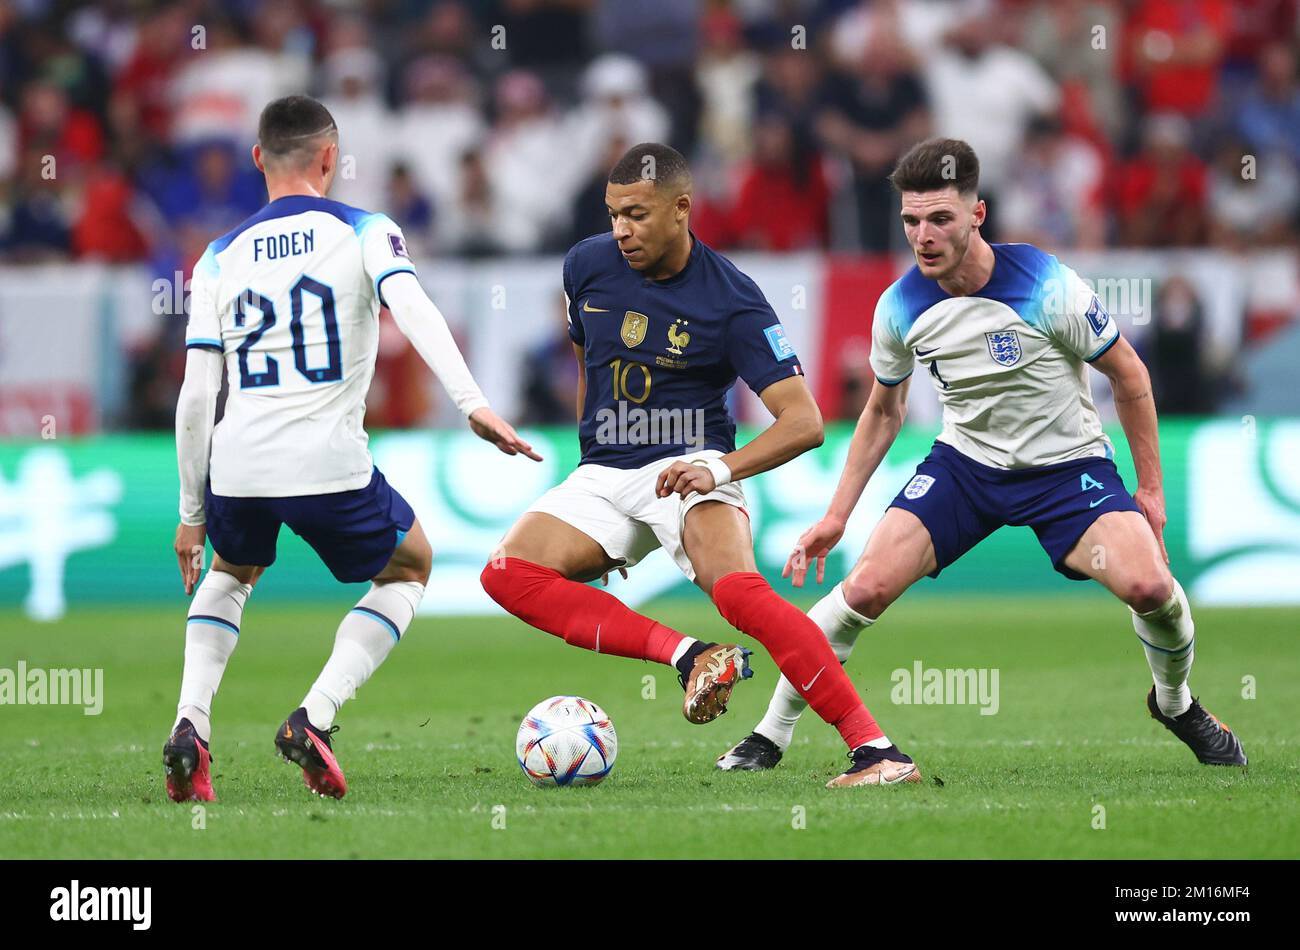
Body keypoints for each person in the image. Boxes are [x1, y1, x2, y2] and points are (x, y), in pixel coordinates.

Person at [718, 137, 1246, 772]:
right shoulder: (900, 306)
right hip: (964, 468)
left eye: (940, 218)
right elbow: (883, 411)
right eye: (912, 221)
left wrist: (1151, 488)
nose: (924, 236)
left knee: (1151, 586)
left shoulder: (1047, 285)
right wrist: (837, 514)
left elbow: (1129, 377)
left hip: (1069, 468)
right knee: (863, 588)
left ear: (977, 215)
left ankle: (1175, 702)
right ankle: (770, 736)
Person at [480, 142, 915, 789]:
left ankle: (875, 751)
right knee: (506, 575)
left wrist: (720, 470)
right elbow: (588, 362)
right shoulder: (587, 267)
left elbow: (805, 422)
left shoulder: (731, 298)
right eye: (613, 215)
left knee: (739, 592)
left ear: (681, 209)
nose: (621, 230)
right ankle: (691, 656)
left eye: (636, 214)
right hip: (604, 471)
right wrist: (591, 460)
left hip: (693, 466)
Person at [164, 95, 538, 802]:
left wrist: (191, 510)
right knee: (408, 566)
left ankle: (190, 726)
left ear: (257, 160)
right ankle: (315, 716)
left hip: (237, 464)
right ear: (330, 159)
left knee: (232, 569)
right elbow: (414, 308)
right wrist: (473, 404)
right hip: (325, 463)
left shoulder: (217, 256)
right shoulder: (365, 229)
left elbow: (194, 394)